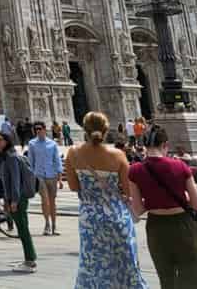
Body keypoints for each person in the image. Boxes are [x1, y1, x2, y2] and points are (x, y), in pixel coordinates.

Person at [65, 111, 146, 288]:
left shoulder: (73, 153)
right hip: (117, 216)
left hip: (90, 218)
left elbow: (74, 187)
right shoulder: (118, 155)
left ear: (85, 129)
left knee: (92, 265)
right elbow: (127, 190)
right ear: (106, 130)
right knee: (126, 265)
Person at [128, 125, 197, 288]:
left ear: (144, 145)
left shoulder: (135, 170)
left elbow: (138, 209)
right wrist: (184, 198)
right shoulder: (180, 166)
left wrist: (153, 199)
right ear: (165, 145)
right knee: (192, 277)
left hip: (156, 227)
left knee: (167, 279)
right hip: (183, 225)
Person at [0, 131, 36, 274]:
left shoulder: (11, 157)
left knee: (23, 229)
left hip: (18, 198)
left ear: (6, 141)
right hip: (13, 198)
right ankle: (29, 259)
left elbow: (15, 181)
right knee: (22, 228)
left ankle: (30, 261)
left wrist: (14, 201)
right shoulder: (4, 157)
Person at [27, 121, 64, 236]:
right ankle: (47, 224)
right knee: (45, 200)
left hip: (52, 175)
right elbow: (30, 161)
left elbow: (57, 160)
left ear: (44, 129)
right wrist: (31, 176)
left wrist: (60, 178)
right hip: (39, 175)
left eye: (39, 128)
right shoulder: (32, 144)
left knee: (52, 201)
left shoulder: (52, 144)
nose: (38, 131)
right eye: (36, 129)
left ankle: (54, 225)